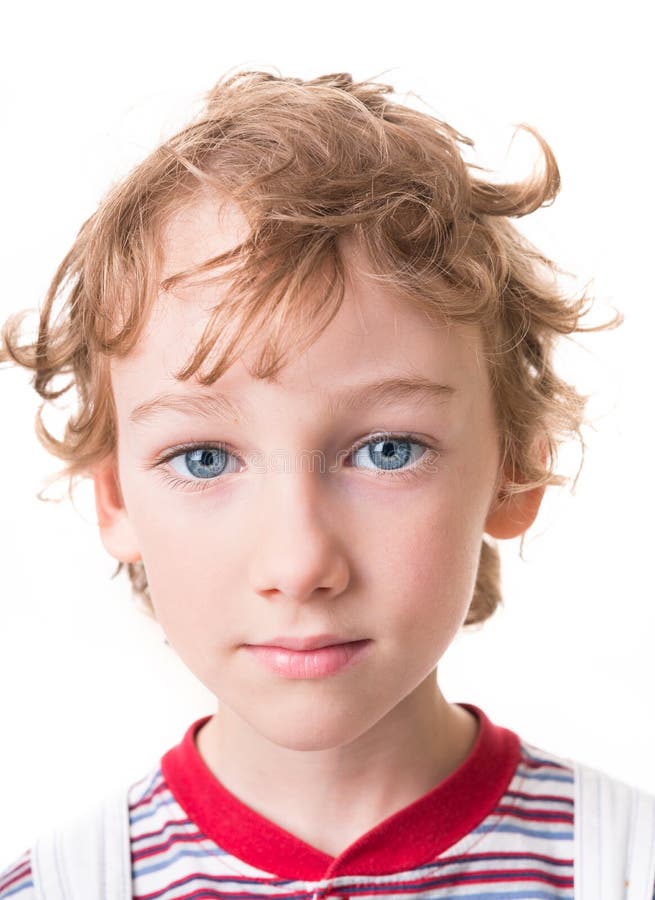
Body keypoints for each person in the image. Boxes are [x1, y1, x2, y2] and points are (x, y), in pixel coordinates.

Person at [0, 69, 653, 899]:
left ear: (514, 469)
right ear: (116, 498)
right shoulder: (53, 888)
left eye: (386, 450)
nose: (300, 562)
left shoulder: (627, 869)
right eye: (203, 458)